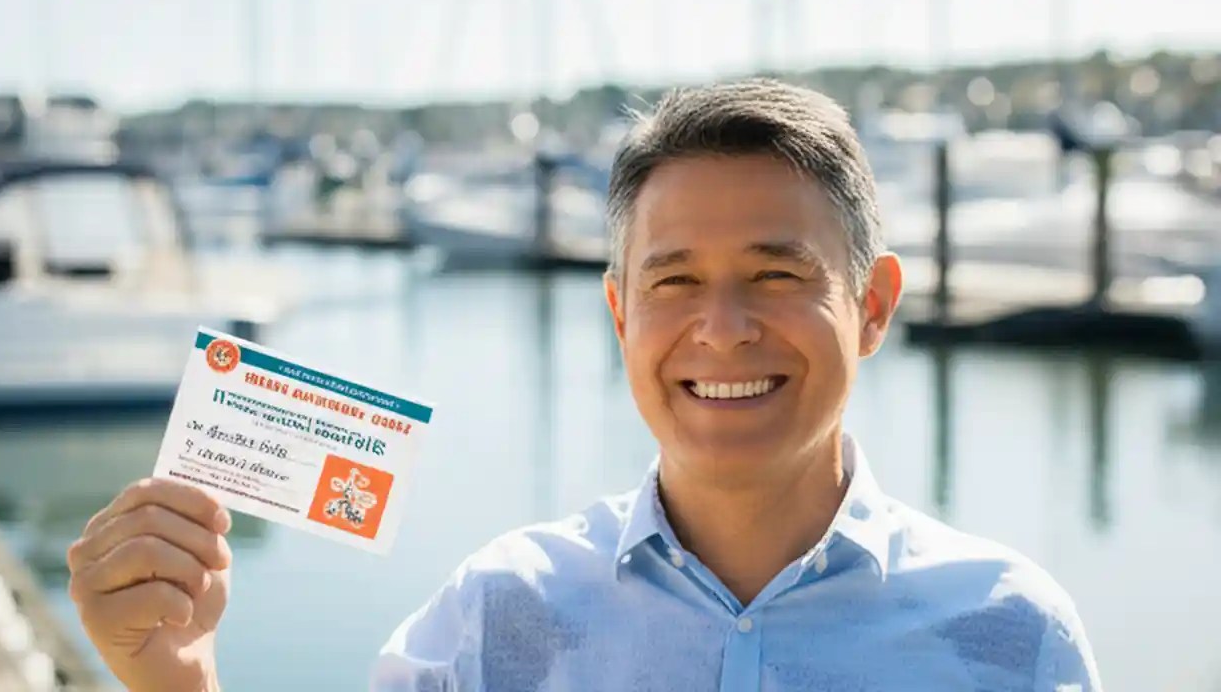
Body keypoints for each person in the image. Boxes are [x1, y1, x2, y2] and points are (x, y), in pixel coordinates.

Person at [67, 79, 1102, 691]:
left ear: (872, 306)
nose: (721, 328)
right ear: (618, 315)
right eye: (674, 281)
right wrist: (175, 678)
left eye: (776, 275)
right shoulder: (494, 617)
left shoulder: (1007, 632)